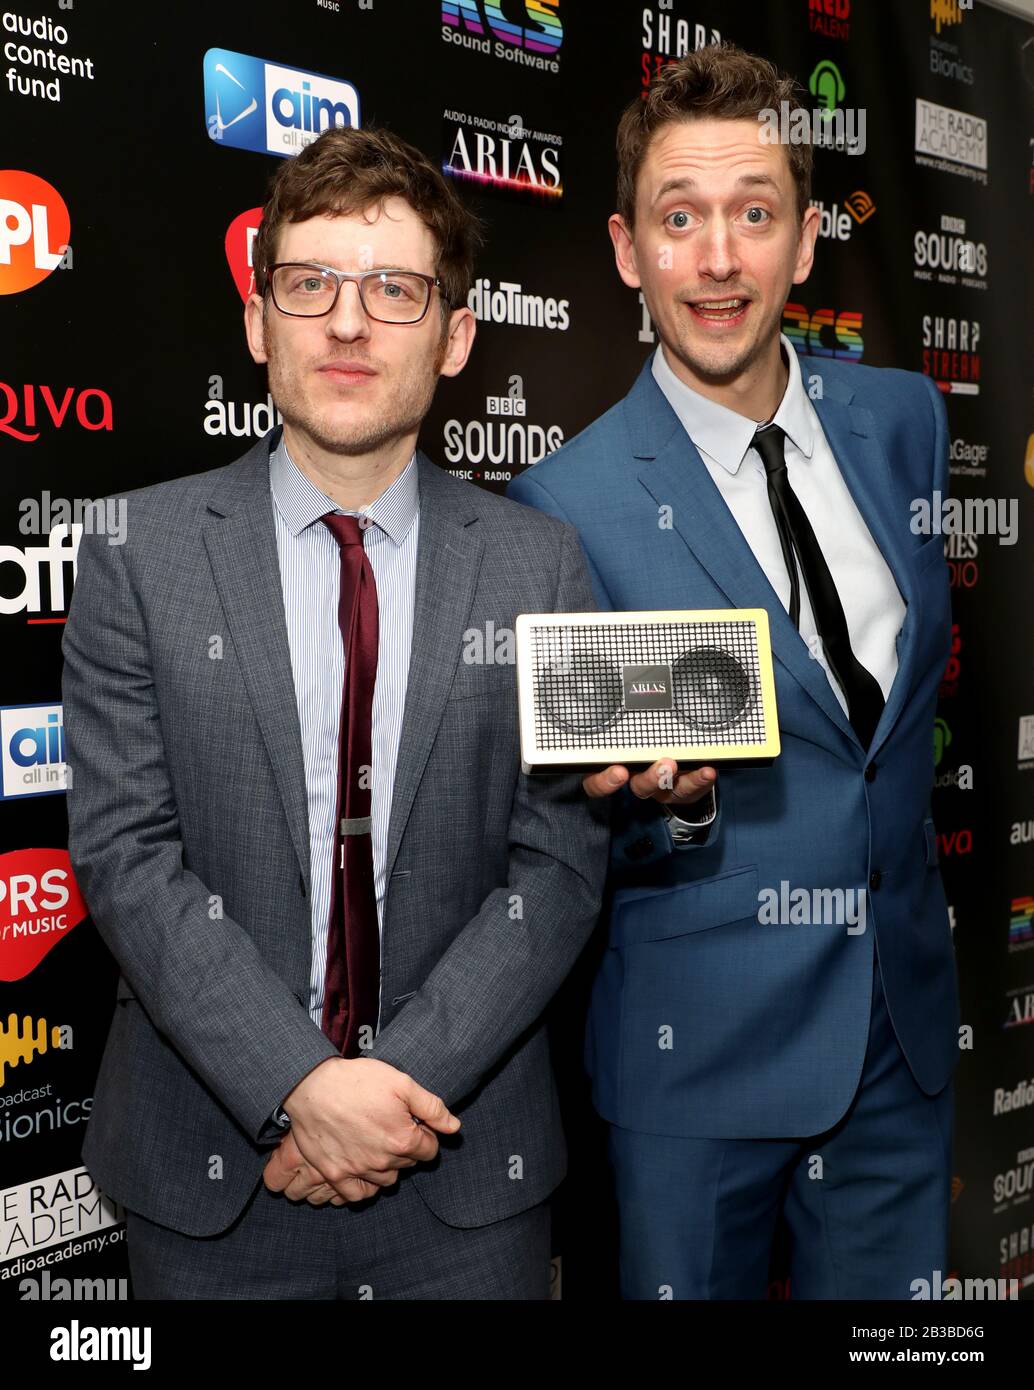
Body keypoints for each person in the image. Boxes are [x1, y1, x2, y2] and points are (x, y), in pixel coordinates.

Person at [62, 124, 608, 1300]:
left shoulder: (541, 567)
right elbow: (125, 855)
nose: (347, 323)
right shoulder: (133, 552)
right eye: (308, 284)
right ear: (259, 322)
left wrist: (386, 1094)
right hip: (213, 1184)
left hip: (461, 1183)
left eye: (393, 289)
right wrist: (298, 1086)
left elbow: (556, 865)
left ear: (456, 335)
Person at [508, 43, 958, 1300]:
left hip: (897, 1045)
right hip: (693, 1064)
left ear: (804, 242)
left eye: (753, 214)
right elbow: (571, 822)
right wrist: (669, 803)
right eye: (679, 218)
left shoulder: (905, 421)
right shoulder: (565, 505)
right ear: (623, 249)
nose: (717, 260)